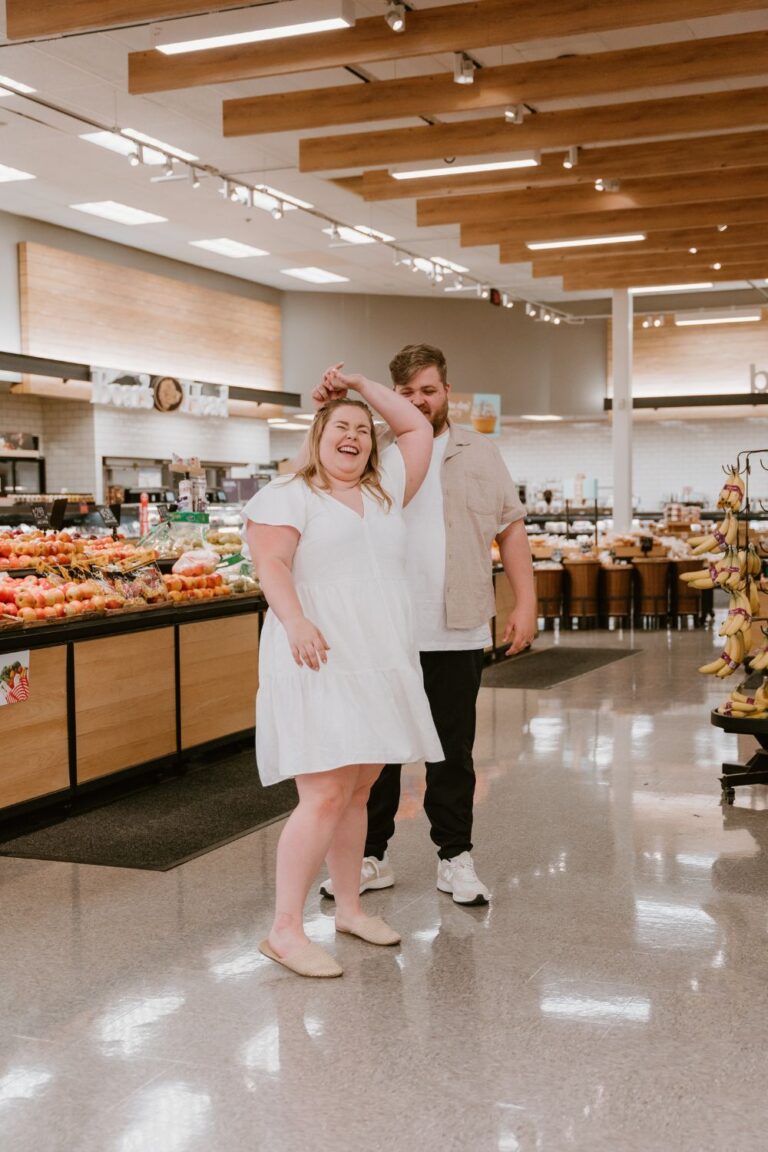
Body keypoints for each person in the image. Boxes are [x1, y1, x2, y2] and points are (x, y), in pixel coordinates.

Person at [318, 344, 536, 906]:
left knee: (451, 750)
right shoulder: (376, 452)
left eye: (428, 390)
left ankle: (454, 858)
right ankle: (371, 856)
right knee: (378, 750)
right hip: (385, 626)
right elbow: (319, 477)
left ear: (447, 392)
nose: (418, 401)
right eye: (408, 392)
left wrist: (525, 604)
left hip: (457, 623)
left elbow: (510, 529)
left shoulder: (479, 452)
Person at [243, 371, 443, 979]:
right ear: (318, 436)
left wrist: (356, 384)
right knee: (324, 792)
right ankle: (283, 929)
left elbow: (413, 424)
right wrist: (296, 619)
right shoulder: (289, 494)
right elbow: (271, 563)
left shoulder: (385, 493)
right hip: (318, 656)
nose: (354, 437)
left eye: (362, 430)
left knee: (359, 788)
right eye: (341, 428)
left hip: (376, 659)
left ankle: (349, 908)